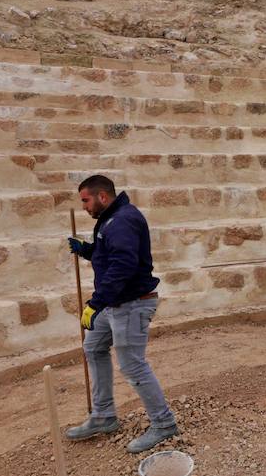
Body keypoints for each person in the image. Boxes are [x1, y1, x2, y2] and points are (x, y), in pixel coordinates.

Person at [64, 175, 180, 453]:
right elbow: (111, 254)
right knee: (93, 346)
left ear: (102, 196)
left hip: (131, 303)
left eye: (85, 200)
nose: (83, 207)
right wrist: (88, 250)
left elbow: (124, 265)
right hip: (116, 303)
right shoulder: (111, 219)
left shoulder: (122, 220)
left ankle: (164, 423)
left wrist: (95, 303)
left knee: (132, 364)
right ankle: (104, 416)